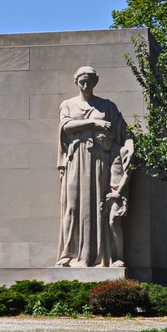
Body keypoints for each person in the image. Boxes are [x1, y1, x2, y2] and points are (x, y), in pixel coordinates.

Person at [56, 66, 133, 268]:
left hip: (100, 160)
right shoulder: (68, 105)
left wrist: (130, 146)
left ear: (95, 81)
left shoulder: (107, 106)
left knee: (98, 208)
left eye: (89, 80)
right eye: (82, 80)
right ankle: (68, 255)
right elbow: (65, 127)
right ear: (76, 81)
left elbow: (125, 134)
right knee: (73, 207)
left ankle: (100, 257)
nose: (85, 84)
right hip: (76, 158)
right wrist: (94, 123)